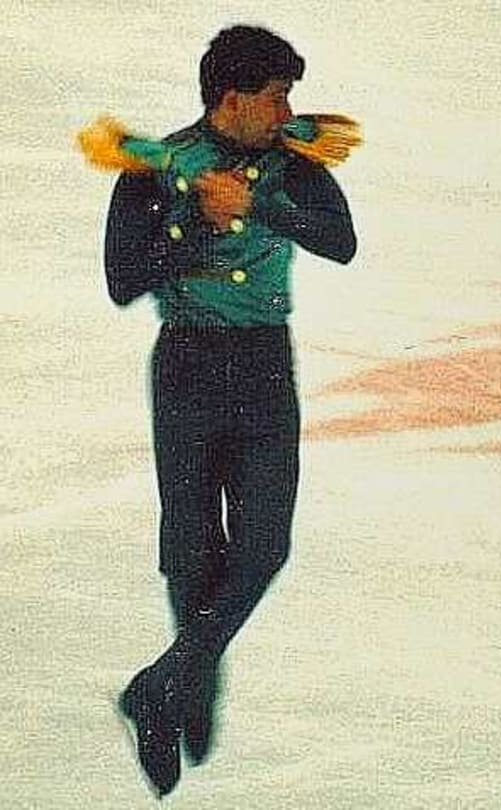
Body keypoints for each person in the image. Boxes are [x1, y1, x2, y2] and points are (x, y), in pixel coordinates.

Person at [102, 25, 356, 797]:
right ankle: (190, 681)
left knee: (263, 546)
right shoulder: (157, 169)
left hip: (263, 368)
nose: (287, 111)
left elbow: (341, 241)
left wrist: (263, 205)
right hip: (187, 368)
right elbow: (123, 280)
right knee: (190, 550)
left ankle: (165, 684)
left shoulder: (293, 163)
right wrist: (196, 227)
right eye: (276, 96)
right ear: (232, 98)